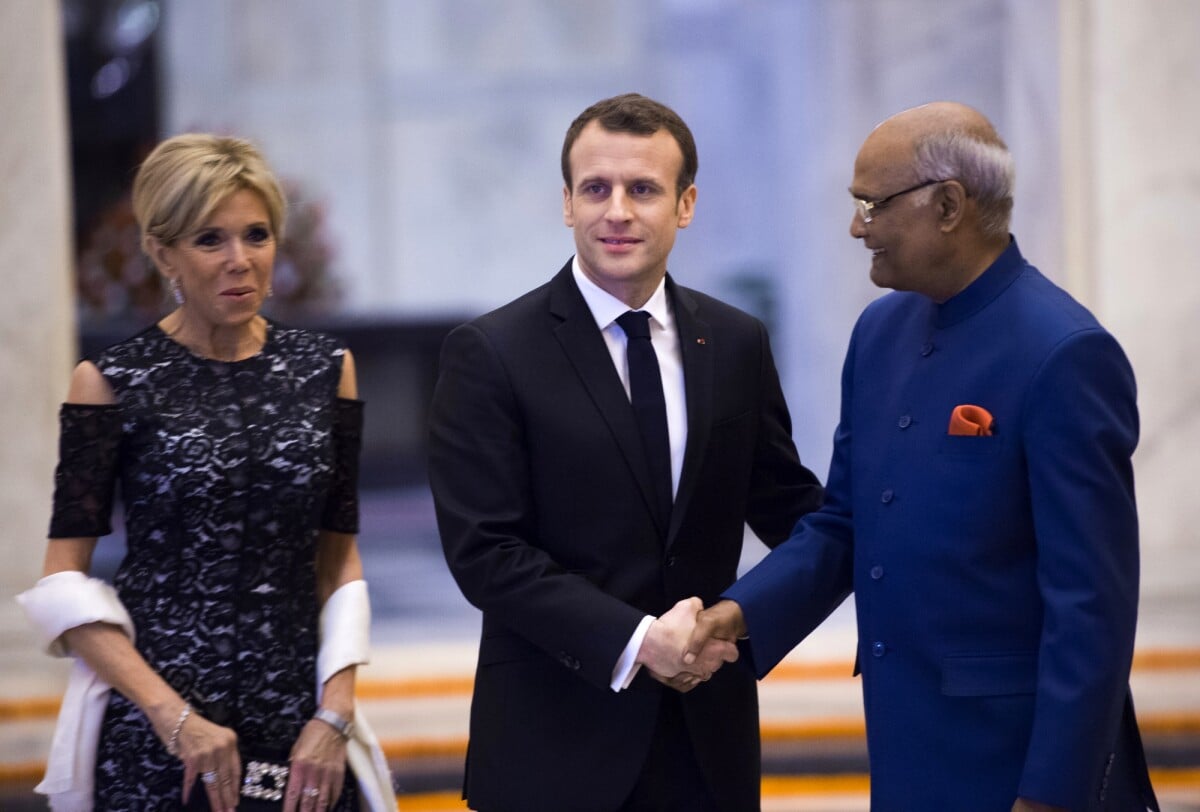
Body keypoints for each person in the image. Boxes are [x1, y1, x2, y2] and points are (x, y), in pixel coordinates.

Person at [687, 102, 1160, 811]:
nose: (857, 227)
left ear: (948, 206)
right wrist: (736, 614)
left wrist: (1052, 794)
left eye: (871, 204)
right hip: (910, 752)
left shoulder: (1063, 352)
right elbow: (844, 523)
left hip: (1018, 763)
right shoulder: (879, 334)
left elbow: (1091, 605)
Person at [427, 92, 823, 812]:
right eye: (596, 189)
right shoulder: (490, 352)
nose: (618, 211)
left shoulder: (735, 343)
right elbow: (486, 553)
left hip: (708, 744)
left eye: (643, 189)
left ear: (686, 204)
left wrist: (746, 615)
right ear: (567, 203)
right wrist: (640, 640)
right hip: (556, 746)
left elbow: (795, 513)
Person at [17, 134, 395, 812]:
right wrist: (171, 716)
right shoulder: (110, 382)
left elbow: (338, 556)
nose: (240, 261)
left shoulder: (325, 369)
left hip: (301, 728)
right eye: (209, 240)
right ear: (163, 254)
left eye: (256, 235)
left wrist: (335, 711)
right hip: (159, 733)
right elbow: (62, 581)